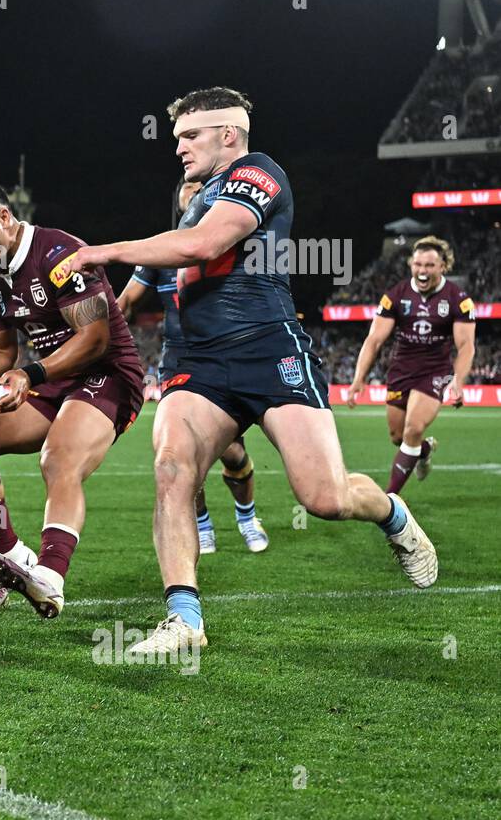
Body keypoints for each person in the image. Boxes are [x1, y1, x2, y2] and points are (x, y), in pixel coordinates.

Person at [58, 86, 437, 656]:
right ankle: (185, 620)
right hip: (197, 364)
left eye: (190, 135)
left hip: (266, 349)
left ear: (227, 134)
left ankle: (393, 511)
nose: (179, 147)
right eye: (177, 136)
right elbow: (133, 298)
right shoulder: (194, 198)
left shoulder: (259, 173)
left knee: (325, 499)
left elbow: (205, 243)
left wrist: (99, 252)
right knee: (171, 469)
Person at [0, 176, 144, 618]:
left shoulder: (60, 254)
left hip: (108, 374)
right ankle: (13, 558)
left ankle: (49, 577)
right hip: (51, 380)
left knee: (58, 457)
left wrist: (30, 373)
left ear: (4, 217)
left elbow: (94, 339)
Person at [118, 180, 268, 554]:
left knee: (232, 453)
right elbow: (126, 302)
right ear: (180, 202)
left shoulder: (237, 245)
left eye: (203, 187)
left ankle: (247, 516)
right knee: (183, 450)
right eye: (188, 189)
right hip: (181, 359)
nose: (195, 192)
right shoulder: (162, 250)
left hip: (227, 355)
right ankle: (202, 525)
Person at [346, 235, 476, 492]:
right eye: (418, 264)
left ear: (442, 267)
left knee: (413, 428)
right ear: (410, 264)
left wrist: (458, 382)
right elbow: (374, 340)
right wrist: (358, 379)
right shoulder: (396, 295)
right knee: (398, 436)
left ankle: (390, 500)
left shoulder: (458, 299)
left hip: (434, 372)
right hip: (401, 371)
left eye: (429, 265)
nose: (422, 270)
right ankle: (424, 450)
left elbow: (466, 346)